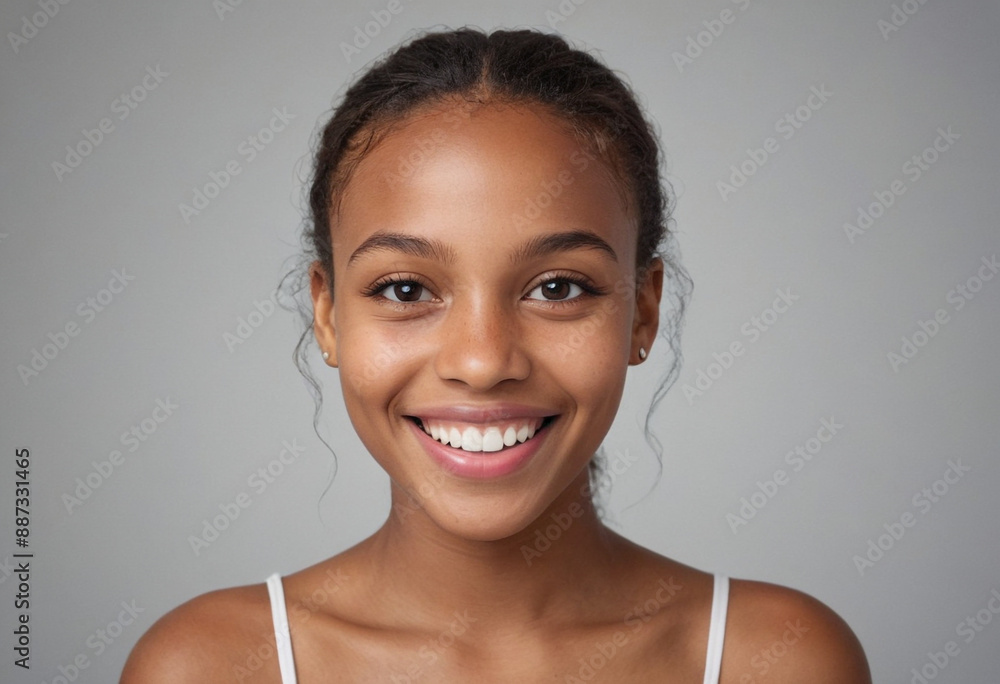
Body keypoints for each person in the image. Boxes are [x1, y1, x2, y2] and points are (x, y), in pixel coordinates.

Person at [122, 27, 871, 683]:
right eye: (407, 289)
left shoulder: (775, 659)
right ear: (327, 314)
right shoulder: (208, 666)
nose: (482, 362)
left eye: (557, 286)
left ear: (642, 310)